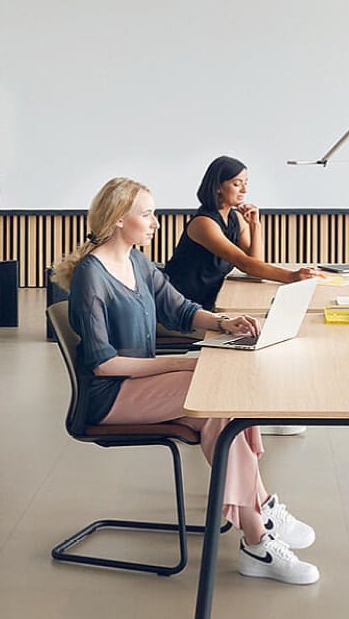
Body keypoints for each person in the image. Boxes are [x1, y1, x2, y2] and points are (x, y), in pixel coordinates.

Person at [54, 177, 320, 585]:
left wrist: (223, 322)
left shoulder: (137, 261)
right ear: (119, 219)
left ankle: (258, 527)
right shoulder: (93, 276)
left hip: (137, 386)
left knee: (222, 416)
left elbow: (179, 310)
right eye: (147, 215)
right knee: (214, 397)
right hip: (109, 397)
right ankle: (259, 528)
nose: (156, 223)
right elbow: (103, 365)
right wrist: (179, 365)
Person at [163, 155, 320, 436]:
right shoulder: (203, 223)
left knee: (264, 330)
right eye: (237, 183)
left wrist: (255, 225)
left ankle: (263, 412)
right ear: (218, 186)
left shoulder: (235, 218)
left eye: (246, 183)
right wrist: (291, 276)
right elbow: (245, 263)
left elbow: (254, 263)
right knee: (253, 333)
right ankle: (248, 415)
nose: (244, 189)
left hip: (210, 303)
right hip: (184, 309)